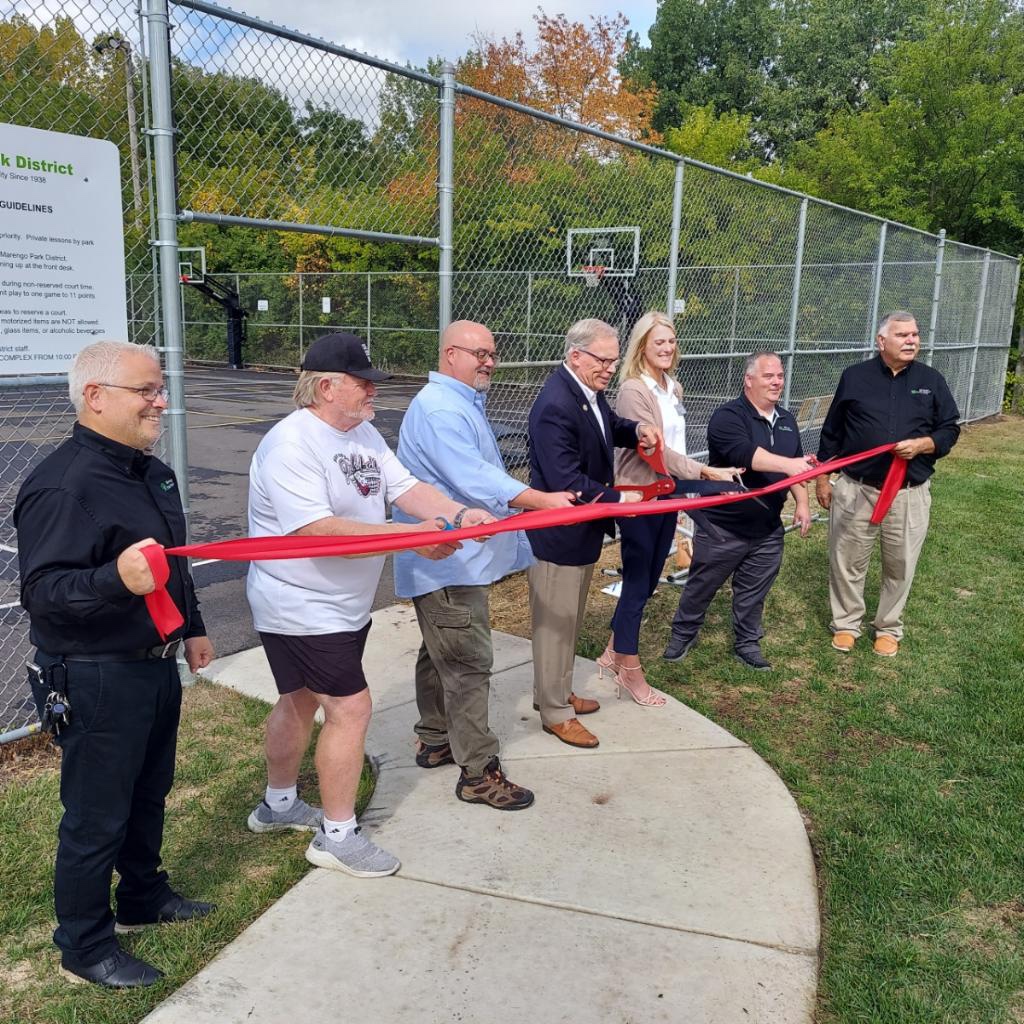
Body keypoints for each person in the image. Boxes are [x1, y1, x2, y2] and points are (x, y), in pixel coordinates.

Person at [245, 332, 492, 876]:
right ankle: (337, 836)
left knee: (300, 700)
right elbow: (316, 529)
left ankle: (278, 806)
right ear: (326, 387)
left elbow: (406, 489)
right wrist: (409, 537)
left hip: (339, 603)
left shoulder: (361, 433)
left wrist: (459, 512)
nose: (372, 392)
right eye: (363, 383)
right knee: (350, 708)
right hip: (301, 602)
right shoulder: (292, 444)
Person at [14, 340, 216, 989]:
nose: (162, 400)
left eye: (160, 388)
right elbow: (42, 596)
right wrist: (112, 581)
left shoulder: (150, 472)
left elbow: (171, 560)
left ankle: (143, 898)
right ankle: (84, 943)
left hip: (154, 663)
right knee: (96, 814)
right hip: (96, 673)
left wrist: (194, 628)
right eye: (147, 390)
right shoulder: (62, 485)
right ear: (96, 398)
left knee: (147, 793)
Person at [393, 321, 577, 809]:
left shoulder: (459, 404)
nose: (489, 361)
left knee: (439, 651)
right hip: (448, 563)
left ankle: (435, 740)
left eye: (493, 353)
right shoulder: (439, 409)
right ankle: (478, 772)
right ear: (450, 354)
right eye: (480, 353)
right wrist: (539, 500)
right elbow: (472, 478)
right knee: (468, 662)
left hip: (454, 563)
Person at [527, 318, 661, 748]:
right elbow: (566, 478)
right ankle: (554, 712)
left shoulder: (587, 394)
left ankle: (556, 692)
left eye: (613, 359)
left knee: (568, 620)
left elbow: (609, 427)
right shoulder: (555, 404)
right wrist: (621, 500)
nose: (609, 368)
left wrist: (636, 430)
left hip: (581, 532)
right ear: (576, 356)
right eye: (601, 360)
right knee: (555, 625)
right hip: (559, 534)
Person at [603, 312, 740, 704]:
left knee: (646, 582)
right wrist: (705, 472)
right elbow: (653, 453)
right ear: (642, 346)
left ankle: (614, 649)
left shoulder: (672, 387)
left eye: (671, 341)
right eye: (658, 341)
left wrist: (687, 489)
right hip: (638, 499)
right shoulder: (634, 390)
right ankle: (630, 670)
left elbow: (674, 450)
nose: (667, 348)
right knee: (636, 583)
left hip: (666, 494)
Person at [815, 311, 960, 657]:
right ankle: (847, 624)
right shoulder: (854, 378)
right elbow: (832, 432)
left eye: (915, 335)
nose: (911, 340)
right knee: (847, 559)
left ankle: (888, 627)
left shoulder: (932, 380)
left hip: (908, 491)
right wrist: (823, 477)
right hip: (857, 488)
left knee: (901, 562)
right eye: (902, 335)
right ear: (882, 341)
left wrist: (923, 445)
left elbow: (950, 428)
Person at [662, 352, 813, 671]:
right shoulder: (728, 417)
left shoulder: (786, 420)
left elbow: (795, 469)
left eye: (780, 376)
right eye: (769, 376)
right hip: (723, 528)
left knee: (754, 591)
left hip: (767, 528)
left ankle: (747, 642)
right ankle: (683, 633)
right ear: (749, 380)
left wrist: (802, 501)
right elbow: (745, 454)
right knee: (702, 585)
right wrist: (789, 465)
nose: (777, 382)